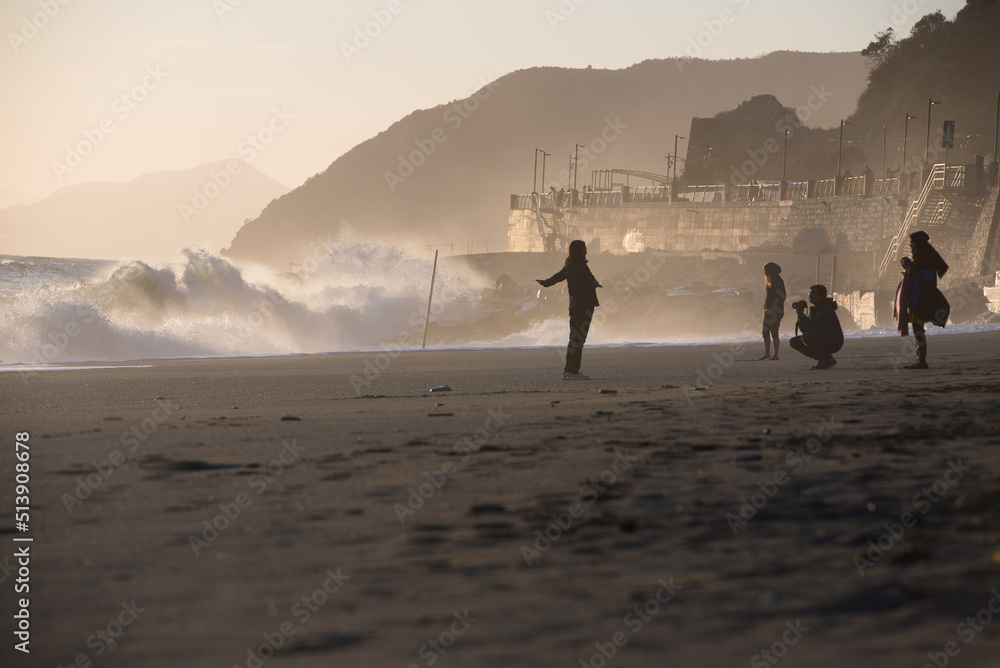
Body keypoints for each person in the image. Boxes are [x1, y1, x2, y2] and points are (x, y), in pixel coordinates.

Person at [536, 239, 602, 380]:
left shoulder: (570, 266)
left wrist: (546, 283)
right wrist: (596, 284)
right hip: (584, 306)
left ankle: (568, 370)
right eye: (584, 248)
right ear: (579, 251)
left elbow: (557, 278)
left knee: (573, 339)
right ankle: (573, 372)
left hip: (574, 306)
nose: (586, 251)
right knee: (579, 340)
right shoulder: (580, 266)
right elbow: (590, 279)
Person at [894, 230, 949, 369]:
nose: (910, 246)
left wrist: (910, 267)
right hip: (920, 299)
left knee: (918, 330)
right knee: (918, 330)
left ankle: (922, 361)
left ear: (917, 244)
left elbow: (923, 277)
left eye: (911, 243)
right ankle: (921, 359)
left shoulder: (924, 258)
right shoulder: (924, 256)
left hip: (920, 301)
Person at [789, 284, 843, 369]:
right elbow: (806, 330)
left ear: (821, 296)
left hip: (834, 341)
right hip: (823, 338)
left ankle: (827, 359)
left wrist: (801, 315)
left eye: (813, 294)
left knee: (807, 338)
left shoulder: (825, 309)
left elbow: (812, 327)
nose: (810, 296)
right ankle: (823, 359)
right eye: (809, 294)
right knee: (794, 341)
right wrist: (800, 317)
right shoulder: (816, 309)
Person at [759, 262, 785, 360]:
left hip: (775, 310)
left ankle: (775, 355)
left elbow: (782, 296)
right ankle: (767, 353)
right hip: (768, 309)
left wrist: (774, 307)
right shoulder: (771, 280)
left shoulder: (778, 281)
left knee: (774, 331)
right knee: (765, 332)